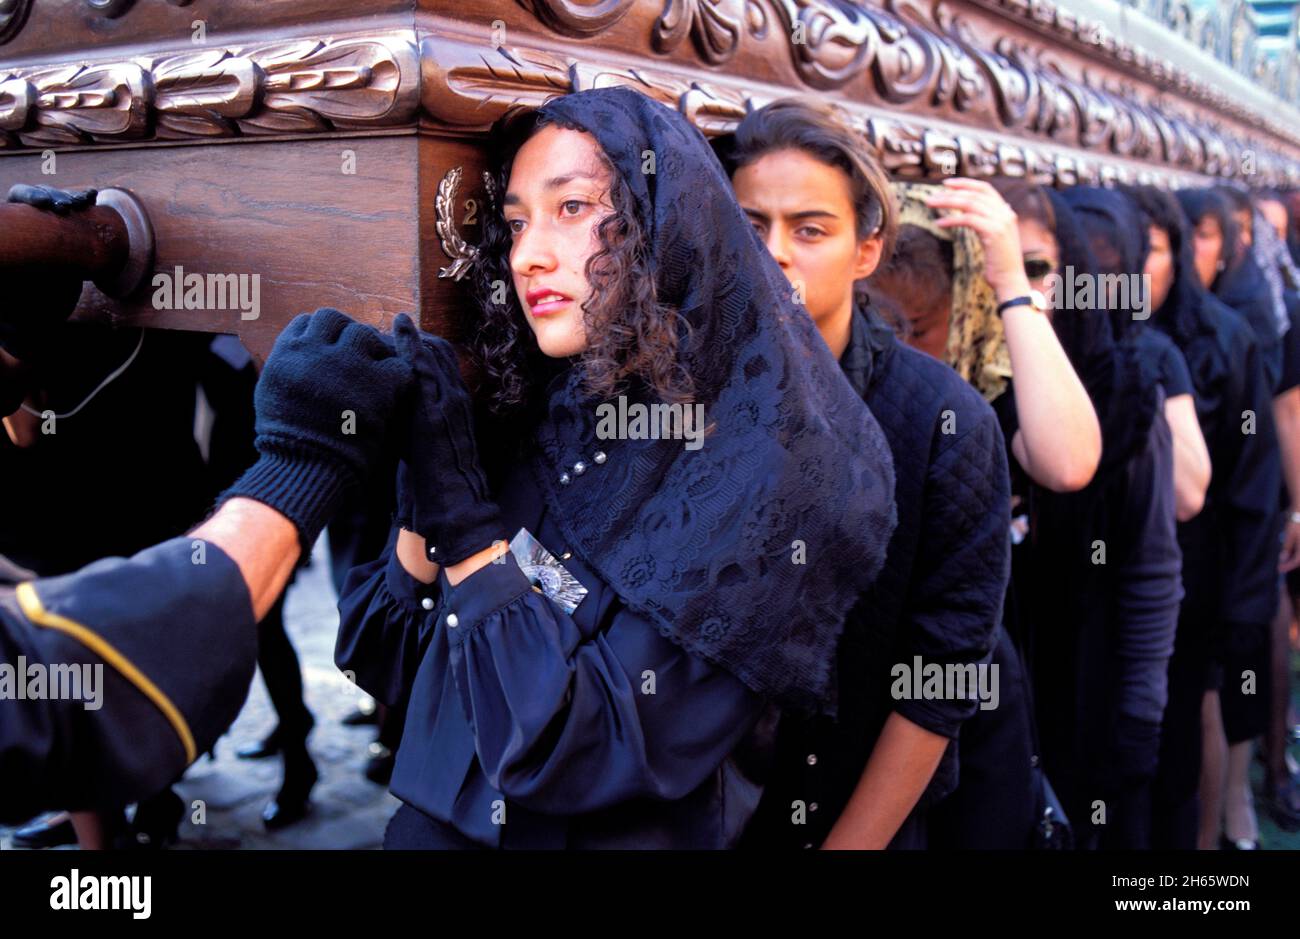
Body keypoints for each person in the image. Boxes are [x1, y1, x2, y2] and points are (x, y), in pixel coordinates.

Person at [335, 87, 898, 850]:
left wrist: (468, 533)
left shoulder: (768, 474)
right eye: (515, 222)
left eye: (571, 208)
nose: (529, 252)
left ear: (667, 221)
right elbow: (387, 664)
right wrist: (426, 483)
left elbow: (571, 747)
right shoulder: (533, 409)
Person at [710, 99, 1011, 849]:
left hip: (855, 804)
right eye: (751, 228)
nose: (776, 252)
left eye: (810, 229)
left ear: (867, 248)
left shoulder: (944, 422)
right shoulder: (682, 392)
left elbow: (942, 672)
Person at [1, 308, 415, 823]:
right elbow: (25, 427)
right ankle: (156, 794)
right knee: (121, 642)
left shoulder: (188, 326)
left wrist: (274, 482)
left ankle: (297, 751)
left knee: (262, 626)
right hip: (113, 509)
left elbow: (241, 377)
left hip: (211, 494)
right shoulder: (62, 329)